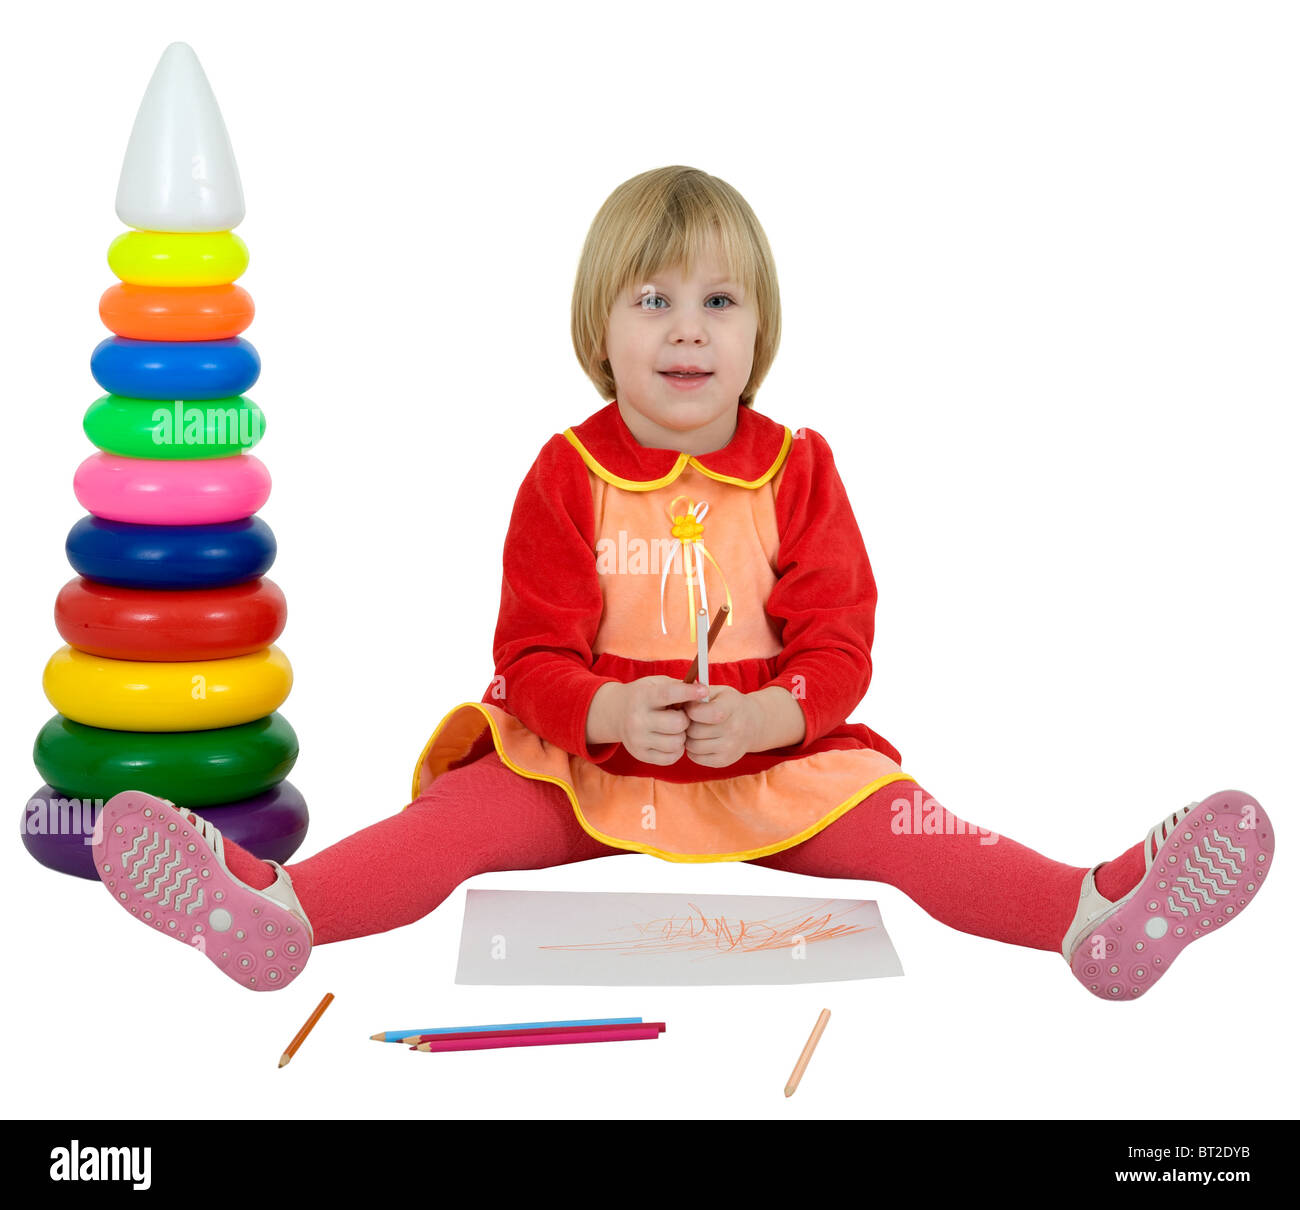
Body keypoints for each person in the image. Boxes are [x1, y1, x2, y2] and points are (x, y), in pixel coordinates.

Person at [93, 166, 1273, 999]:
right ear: (600, 331)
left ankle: (1098, 907)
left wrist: (775, 713)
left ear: (759, 329)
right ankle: (271, 906)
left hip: (776, 767)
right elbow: (530, 657)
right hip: (580, 765)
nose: (687, 329)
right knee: (448, 826)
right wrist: (604, 711)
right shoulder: (566, 472)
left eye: (719, 300)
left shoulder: (800, 467)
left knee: (923, 833)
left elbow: (840, 643)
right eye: (652, 299)